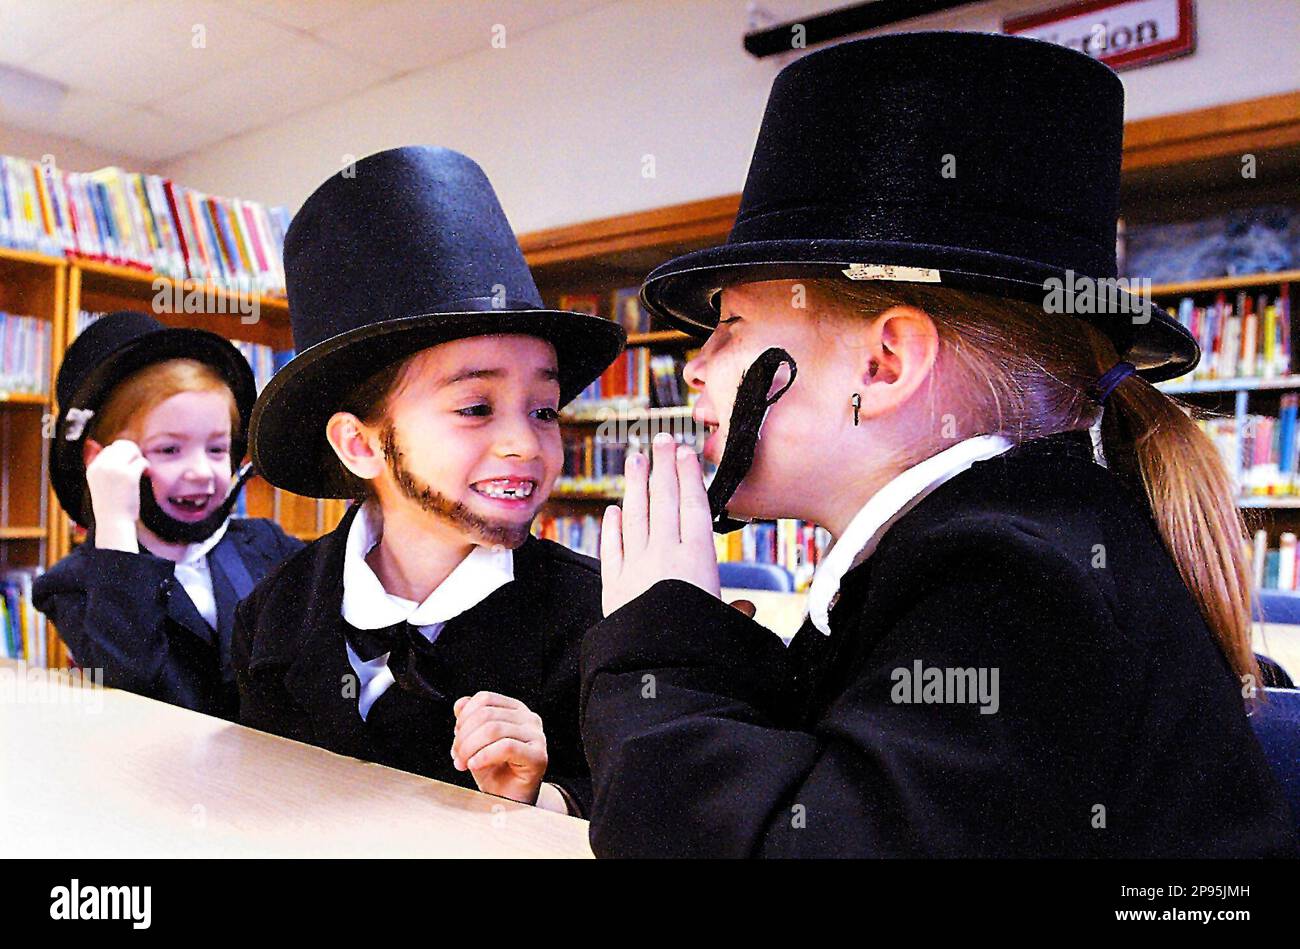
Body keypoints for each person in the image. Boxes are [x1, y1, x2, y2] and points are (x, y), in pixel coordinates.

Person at [579, 32, 1299, 857]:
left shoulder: (1012, 581)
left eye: (731, 326)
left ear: (884, 363)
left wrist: (659, 644)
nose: (695, 366)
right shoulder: (999, 540)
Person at [232, 146, 625, 815]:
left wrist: (544, 801)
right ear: (361, 443)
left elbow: (659, 807)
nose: (524, 443)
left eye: (545, 409)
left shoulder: (604, 619)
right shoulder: (273, 614)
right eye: (475, 408)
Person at [34, 311, 302, 719]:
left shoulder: (267, 544)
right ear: (103, 461)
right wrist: (116, 525)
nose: (200, 472)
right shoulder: (75, 583)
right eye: (169, 450)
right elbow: (127, 679)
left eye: (217, 449)